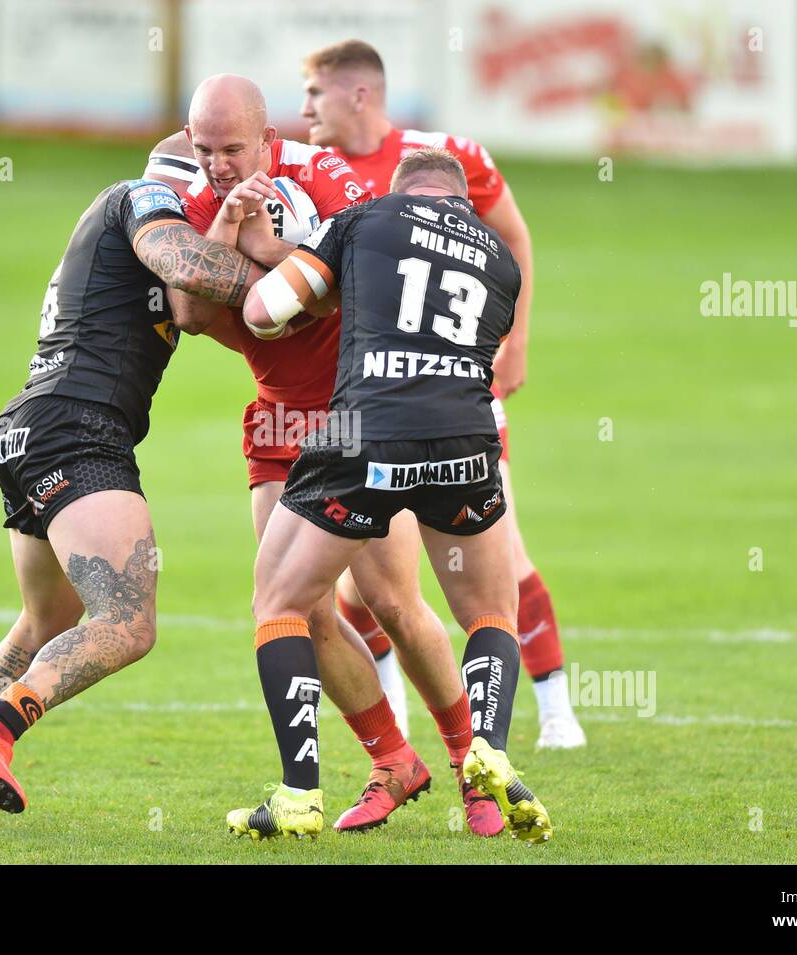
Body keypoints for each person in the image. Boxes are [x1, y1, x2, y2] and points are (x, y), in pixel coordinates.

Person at [171, 75, 500, 834]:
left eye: (231, 149)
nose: (217, 163)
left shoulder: (321, 175)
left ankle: (471, 771)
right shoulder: (200, 195)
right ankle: (393, 759)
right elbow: (189, 308)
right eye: (204, 149)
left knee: (391, 600)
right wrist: (225, 225)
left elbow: (361, 277)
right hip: (278, 419)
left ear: (267, 138)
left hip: (356, 415)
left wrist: (262, 249)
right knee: (298, 606)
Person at [0, 152, 265, 828]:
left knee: (44, 622)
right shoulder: (141, 196)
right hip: (78, 431)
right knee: (128, 621)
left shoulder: (134, 231)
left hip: (30, 427)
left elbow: (195, 308)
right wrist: (317, 277)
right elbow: (196, 268)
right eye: (206, 184)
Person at [228, 148, 553, 843]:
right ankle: (485, 752)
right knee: (490, 607)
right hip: (466, 438)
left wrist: (265, 249)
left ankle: (298, 794)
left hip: (366, 437)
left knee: (279, 599)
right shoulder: (500, 260)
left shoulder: (363, 217)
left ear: (399, 192)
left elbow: (263, 311)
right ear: (458, 203)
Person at [301, 38, 585, 750]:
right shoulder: (309, 175)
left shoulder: (439, 158)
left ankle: (557, 710)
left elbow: (512, 235)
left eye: (315, 93)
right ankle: (401, 716)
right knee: (368, 586)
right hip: (371, 407)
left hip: (455, 397)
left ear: (358, 94)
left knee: (503, 562)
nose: (303, 108)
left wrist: (513, 344)